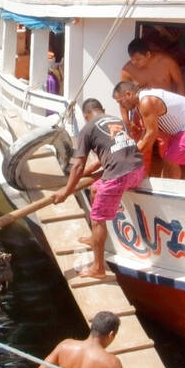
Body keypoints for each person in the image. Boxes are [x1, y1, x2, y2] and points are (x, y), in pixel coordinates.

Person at [50, 98, 144, 279]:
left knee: (97, 219)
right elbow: (101, 160)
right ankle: (95, 238)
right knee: (95, 188)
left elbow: (78, 165)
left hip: (118, 176)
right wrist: (80, 177)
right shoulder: (117, 120)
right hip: (138, 171)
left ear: (86, 116)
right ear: (102, 109)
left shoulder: (88, 129)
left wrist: (66, 191)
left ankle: (98, 269)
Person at [113, 80, 185, 180]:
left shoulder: (146, 101)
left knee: (171, 160)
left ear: (128, 94)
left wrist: (130, 156)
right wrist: (133, 152)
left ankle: (171, 187)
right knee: (169, 160)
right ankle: (168, 185)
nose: (121, 106)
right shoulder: (139, 105)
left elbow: (151, 134)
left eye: (120, 101)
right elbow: (146, 132)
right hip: (181, 127)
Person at [119, 37, 184, 94]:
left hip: (166, 102)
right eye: (132, 59)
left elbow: (179, 84)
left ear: (148, 55)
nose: (134, 62)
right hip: (142, 103)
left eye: (138, 59)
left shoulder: (167, 62)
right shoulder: (127, 71)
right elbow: (124, 95)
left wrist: (180, 103)